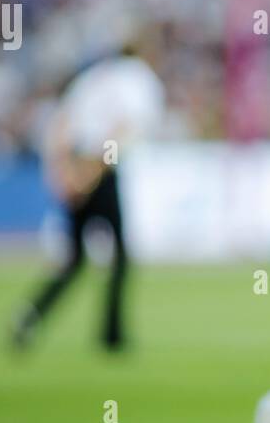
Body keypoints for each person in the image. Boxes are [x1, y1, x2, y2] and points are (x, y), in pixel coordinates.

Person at [12, 46, 164, 351]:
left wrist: (62, 173)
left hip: (73, 165)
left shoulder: (91, 78)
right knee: (119, 256)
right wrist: (91, 174)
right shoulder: (138, 79)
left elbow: (62, 123)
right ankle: (111, 335)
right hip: (98, 169)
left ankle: (30, 316)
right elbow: (123, 128)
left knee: (74, 260)